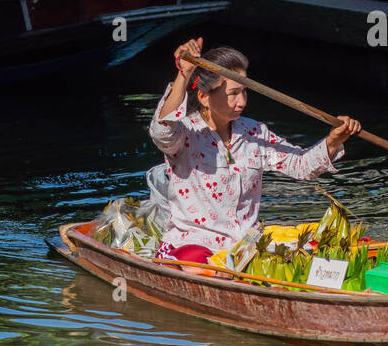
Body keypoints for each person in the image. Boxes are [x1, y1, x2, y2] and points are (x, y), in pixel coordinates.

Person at [149, 39, 361, 263]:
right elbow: (161, 132)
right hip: (195, 245)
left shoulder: (254, 132)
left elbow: (300, 166)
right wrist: (184, 74)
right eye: (233, 93)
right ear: (204, 97)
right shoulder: (186, 133)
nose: (241, 102)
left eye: (244, 92)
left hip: (245, 245)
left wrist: (333, 140)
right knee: (202, 266)